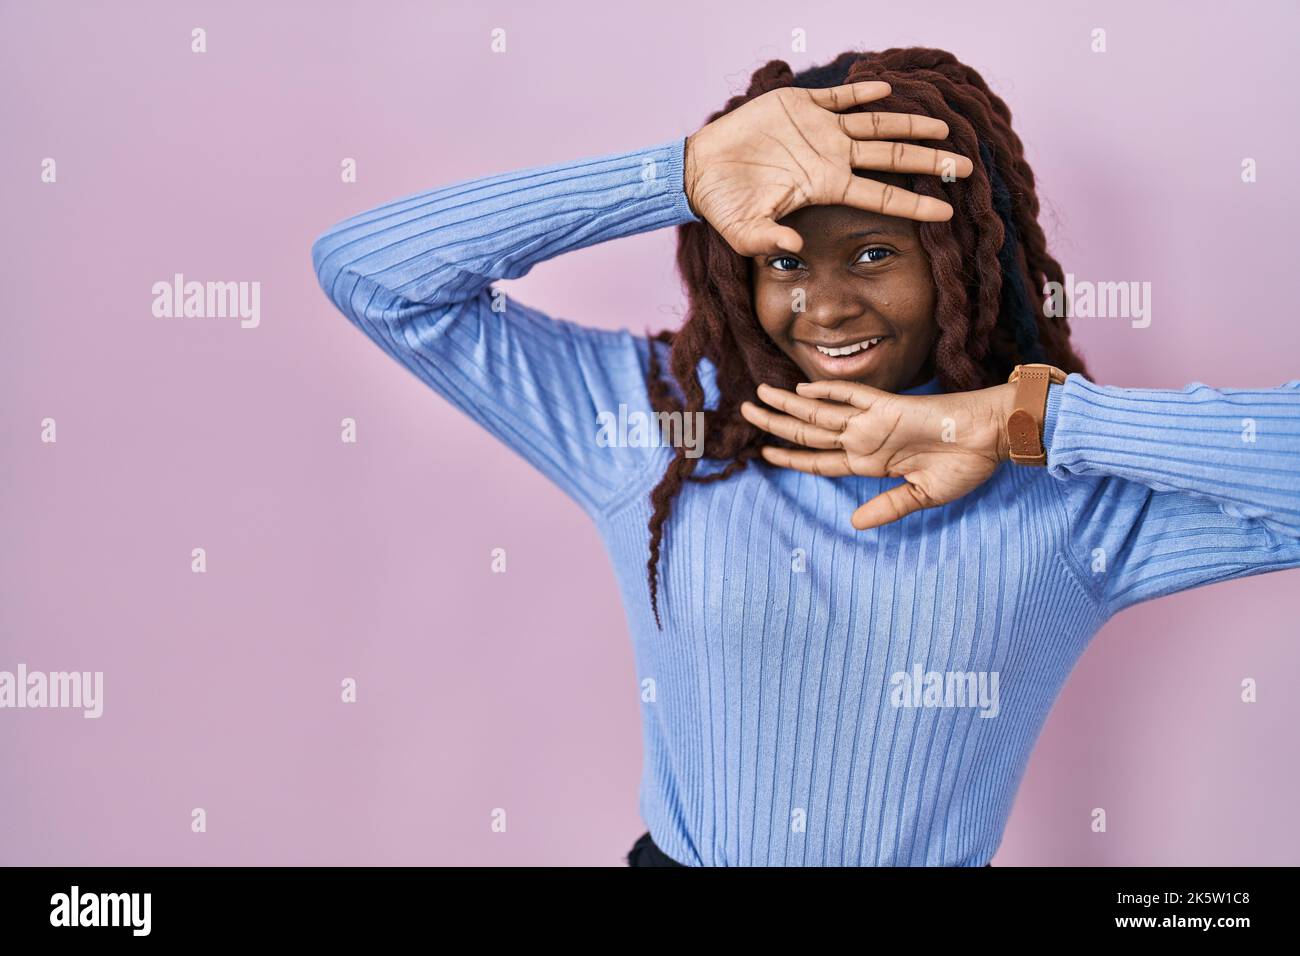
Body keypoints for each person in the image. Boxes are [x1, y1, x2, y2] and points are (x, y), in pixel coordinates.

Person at [310, 47, 1300, 867]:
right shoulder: (658, 421)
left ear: (960, 267)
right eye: (782, 260)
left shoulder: (1066, 495)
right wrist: (678, 173)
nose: (820, 307)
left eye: (872, 253)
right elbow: (371, 275)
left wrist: (1019, 421)